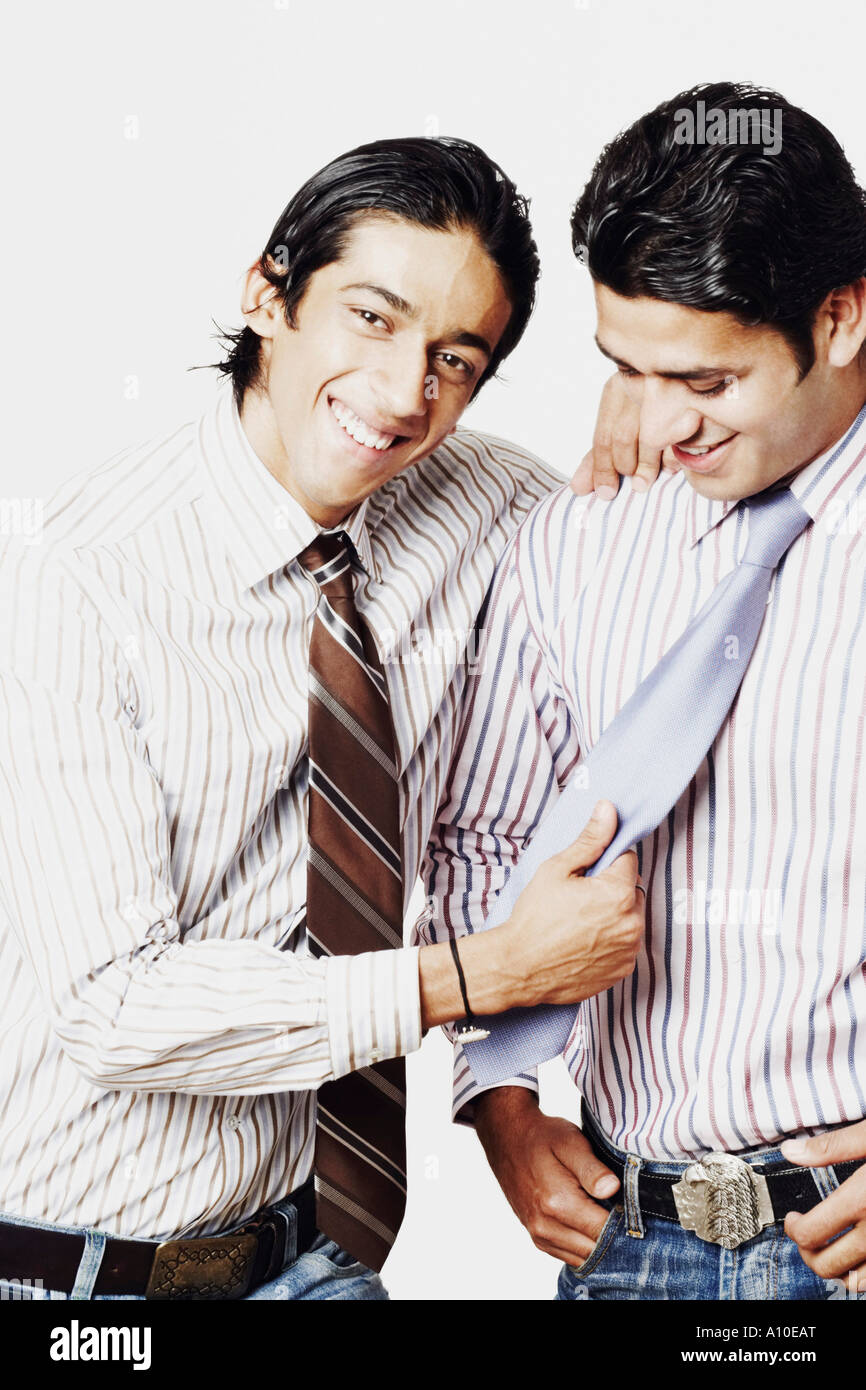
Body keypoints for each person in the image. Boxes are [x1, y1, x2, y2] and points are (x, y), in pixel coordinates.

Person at [0, 135, 644, 1301]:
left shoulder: (485, 503)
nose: (405, 397)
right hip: (69, 1274)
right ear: (266, 293)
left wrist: (639, 393)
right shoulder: (81, 581)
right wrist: (474, 975)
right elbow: (116, 1004)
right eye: (372, 318)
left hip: (308, 1253)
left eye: (457, 357)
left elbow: (685, 586)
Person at [419, 82, 866, 1301]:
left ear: (837, 318)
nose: (661, 423)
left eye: (705, 382)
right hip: (632, 1240)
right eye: (628, 368)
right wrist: (496, 1099)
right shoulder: (576, 539)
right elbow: (484, 836)